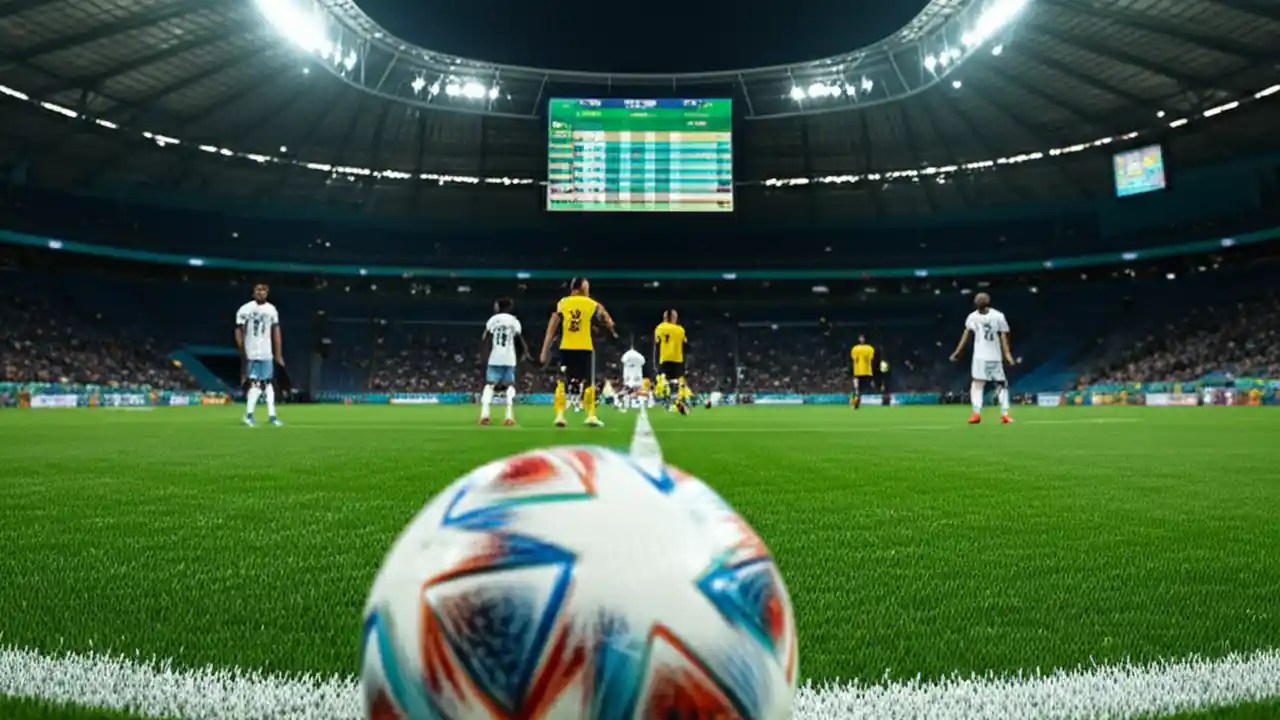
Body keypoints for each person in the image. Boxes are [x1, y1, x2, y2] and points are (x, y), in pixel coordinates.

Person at [539, 277, 616, 428]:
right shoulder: (592, 304)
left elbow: (551, 330)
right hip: (585, 348)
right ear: (580, 288)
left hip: (566, 347)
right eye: (587, 288)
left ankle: (560, 416)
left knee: (562, 382)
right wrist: (609, 329)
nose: (588, 291)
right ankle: (591, 416)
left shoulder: (562, 303)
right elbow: (608, 321)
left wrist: (544, 351)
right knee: (589, 383)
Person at [949, 292, 1016, 424]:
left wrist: (957, 352)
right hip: (994, 356)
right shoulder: (998, 316)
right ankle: (1004, 414)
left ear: (976, 303)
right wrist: (1007, 354)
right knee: (1001, 384)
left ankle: (976, 413)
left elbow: (966, 335)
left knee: (977, 384)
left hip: (980, 357)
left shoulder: (972, 317)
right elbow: (1004, 335)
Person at [234, 283, 284, 427]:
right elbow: (238, 331)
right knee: (256, 384)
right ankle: (249, 415)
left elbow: (276, 332)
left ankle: (272, 416)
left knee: (268, 384)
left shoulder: (271, 310)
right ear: (253, 293)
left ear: (267, 293)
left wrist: (278, 353)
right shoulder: (245, 309)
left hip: (266, 353)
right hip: (252, 353)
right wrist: (242, 350)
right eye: (258, 290)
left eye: (264, 291)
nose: (261, 293)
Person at [479, 297, 528, 426]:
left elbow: (486, 339)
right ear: (510, 307)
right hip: (509, 358)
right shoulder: (514, 321)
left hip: (495, 357)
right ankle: (509, 416)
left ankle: (485, 415)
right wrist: (524, 353)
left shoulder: (492, 321)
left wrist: (483, 356)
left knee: (490, 385)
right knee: (509, 386)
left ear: (498, 307)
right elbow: (519, 339)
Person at [654, 310, 689, 415]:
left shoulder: (659, 328)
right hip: (677, 359)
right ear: (674, 318)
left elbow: (657, 342)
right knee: (678, 382)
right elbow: (685, 342)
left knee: (664, 381)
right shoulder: (680, 330)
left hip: (664, 358)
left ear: (664, 317)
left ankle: (667, 401)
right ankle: (677, 402)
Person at [850, 334, 875, 409]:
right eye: (861, 338)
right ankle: (855, 403)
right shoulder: (855, 348)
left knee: (860, 389)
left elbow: (871, 358)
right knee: (856, 388)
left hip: (866, 371)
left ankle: (857, 401)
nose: (862, 339)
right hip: (858, 372)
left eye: (862, 338)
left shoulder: (869, 348)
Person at [620, 346, 646, 412]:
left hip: (629, 374)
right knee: (635, 389)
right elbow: (643, 362)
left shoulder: (627, 354)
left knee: (629, 390)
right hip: (636, 374)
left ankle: (628, 403)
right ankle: (635, 402)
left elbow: (623, 360)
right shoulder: (639, 355)